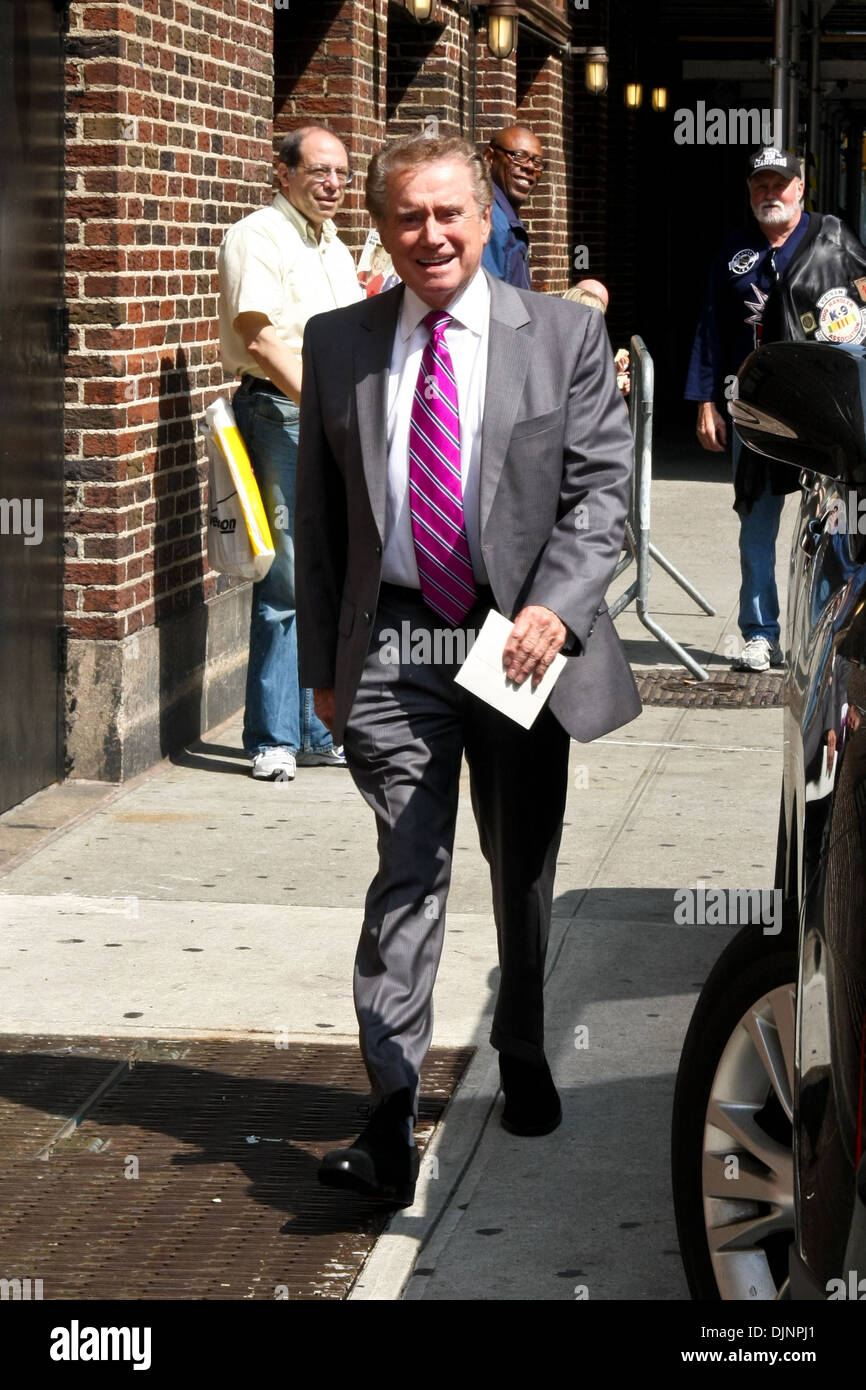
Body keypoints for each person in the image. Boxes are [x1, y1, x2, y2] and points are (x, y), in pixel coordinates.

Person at [295, 135, 640, 1207]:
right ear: (381, 226)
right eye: (407, 217)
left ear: (486, 221)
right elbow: (318, 517)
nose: (430, 235)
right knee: (408, 862)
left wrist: (553, 606)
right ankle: (388, 1115)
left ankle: (524, 1037)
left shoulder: (563, 334)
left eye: (450, 214)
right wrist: (320, 664)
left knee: (518, 855)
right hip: (395, 639)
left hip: (513, 636)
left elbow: (599, 498)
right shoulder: (337, 340)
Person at [686, 145, 866, 672]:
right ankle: (760, 634)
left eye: (778, 184)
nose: (770, 193)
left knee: (833, 523)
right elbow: (709, 329)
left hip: (826, 411)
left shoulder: (835, 241)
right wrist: (704, 401)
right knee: (757, 524)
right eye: (759, 185)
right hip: (758, 411)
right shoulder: (733, 250)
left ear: (800, 188)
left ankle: (832, 629)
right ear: (749, 192)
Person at [217, 126, 361, 780]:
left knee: (322, 575)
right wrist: (330, 410)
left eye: (342, 173)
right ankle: (272, 736)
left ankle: (313, 727)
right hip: (283, 411)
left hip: (329, 417)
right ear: (283, 172)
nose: (333, 184)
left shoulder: (330, 243)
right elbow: (264, 340)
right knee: (285, 577)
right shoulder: (258, 237)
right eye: (320, 171)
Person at [480, 123, 544, 288]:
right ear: (489, 157)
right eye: (519, 156)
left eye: (537, 162)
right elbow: (490, 297)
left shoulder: (506, 217)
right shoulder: (490, 219)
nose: (529, 166)